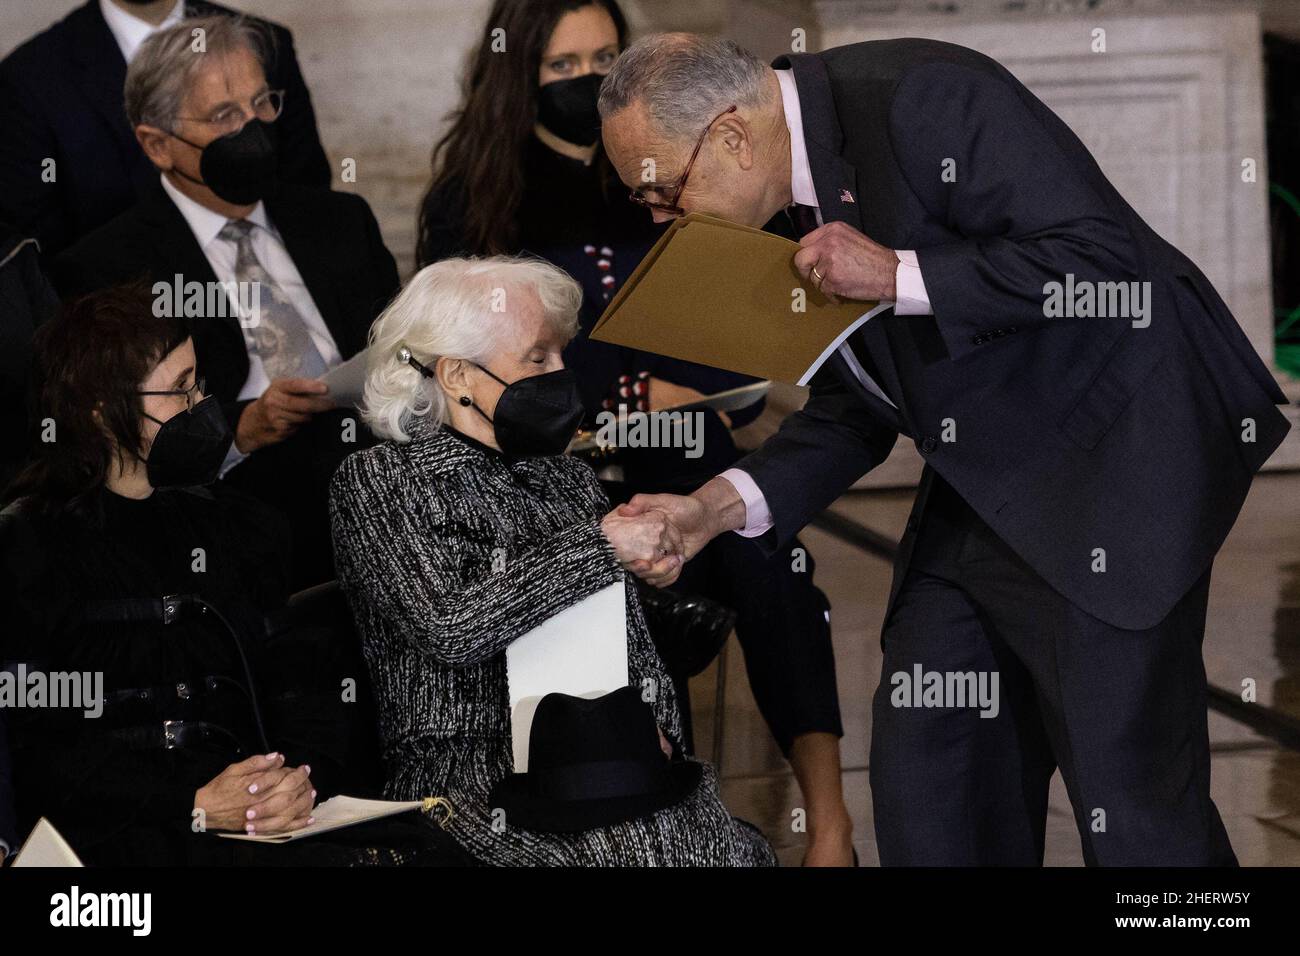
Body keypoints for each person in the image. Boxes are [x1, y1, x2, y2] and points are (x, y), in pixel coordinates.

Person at [597, 33, 1292, 866]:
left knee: (1136, 805)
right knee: (933, 776)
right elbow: (856, 405)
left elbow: (1102, 262)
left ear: (733, 137)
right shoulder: (771, 197)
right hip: (982, 472)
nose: (661, 221)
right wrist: (707, 509)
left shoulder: (925, 95)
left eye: (665, 194)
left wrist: (898, 273)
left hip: (1118, 451)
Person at [416, 0, 853, 865]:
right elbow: (460, 355)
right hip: (545, 459)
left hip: (680, 439)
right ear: (519, 73)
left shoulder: (662, 171)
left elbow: (723, 324)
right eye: (561, 66)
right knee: (629, 587)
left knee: (778, 564)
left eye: (602, 59)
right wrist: (619, 391)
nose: (584, 81)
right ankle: (662, 823)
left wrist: (715, 385)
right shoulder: (476, 192)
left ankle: (829, 817)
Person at [329, 256, 776, 866]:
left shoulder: (567, 478)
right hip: (473, 779)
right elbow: (450, 627)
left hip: (610, 759)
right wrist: (602, 550)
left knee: (734, 851)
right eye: (538, 359)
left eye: (562, 357)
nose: (562, 375)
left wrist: (658, 726)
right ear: (457, 374)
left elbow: (630, 645)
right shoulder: (382, 480)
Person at [0, 283, 466, 867]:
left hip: (259, 819)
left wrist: (296, 778)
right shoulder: (28, 545)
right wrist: (191, 803)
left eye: (198, 381)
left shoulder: (241, 527)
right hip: (121, 831)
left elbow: (303, 687)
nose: (200, 403)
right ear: (100, 411)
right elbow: (39, 751)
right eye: (178, 390)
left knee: (432, 850)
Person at [50, 15, 400, 589]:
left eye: (262, 104)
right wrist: (244, 428)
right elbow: (116, 439)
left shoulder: (339, 221)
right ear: (156, 144)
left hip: (380, 476)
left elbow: (404, 349)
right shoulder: (108, 266)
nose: (253, 128)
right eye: (224, 116)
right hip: (230, 508)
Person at [0, 0, 329, 259]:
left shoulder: (266, 43)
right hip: (131, 317)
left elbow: (307, 189)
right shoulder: (30, 78)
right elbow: (40, 242)